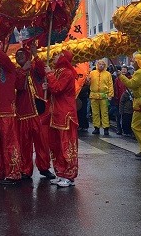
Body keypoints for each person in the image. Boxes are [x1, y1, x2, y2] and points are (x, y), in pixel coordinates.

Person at [15, 47, 55, 180]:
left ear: (28, 56)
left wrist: (36, 55)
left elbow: (43, 70)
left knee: (42, 142)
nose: (18, 57)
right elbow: (19, 85)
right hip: (24, 113)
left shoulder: (34, 68)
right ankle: (25, 170)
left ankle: (44, 168)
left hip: (39, 111)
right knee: (24, 143)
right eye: (17, 55)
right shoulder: (18, 71)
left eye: (22, 55)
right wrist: (24, 69)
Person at [44, 50, 78, 188]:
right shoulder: (57, 72)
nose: (55, 56)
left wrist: (50, 75)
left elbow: (58, 89)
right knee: (56, 146)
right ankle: (60, 173)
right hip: (56, 114)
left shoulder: (67, 73)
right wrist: (47, 86)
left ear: (64, 58)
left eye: (58, 54)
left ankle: (69, 176)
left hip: (65, 114)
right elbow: (54, 89)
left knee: (66, 145)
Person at [0, 42, 22, 184]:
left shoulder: (9, 68)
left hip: (7, 114)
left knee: (9, 144)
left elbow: (5, 59)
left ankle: (13, 173)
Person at [88, 59, 114, 135]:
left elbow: (110, 85)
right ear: (97, 65)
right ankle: (96, 127)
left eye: (102, 64)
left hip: (104, 96)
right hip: (94, 95)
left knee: (104, 113)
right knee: (95, 113)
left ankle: (106, 128)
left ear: (105, 65)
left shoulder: (108, 74)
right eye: (99, 64)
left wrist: (110, 95)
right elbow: (88, 82)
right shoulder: (92, 73)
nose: (101, 65)